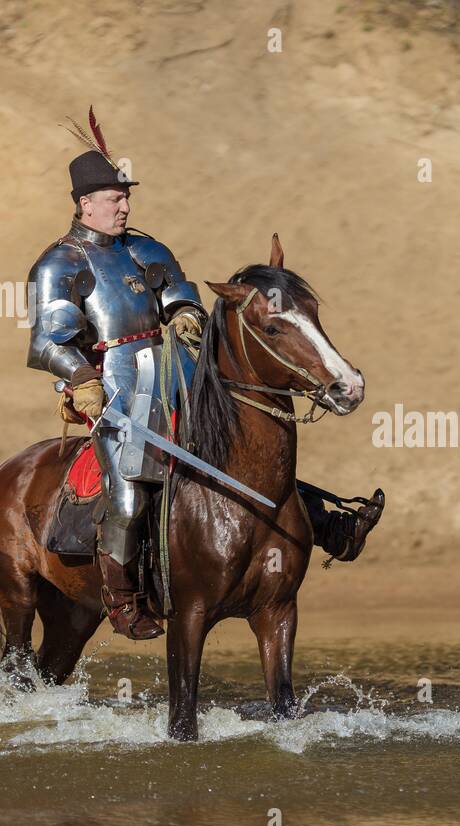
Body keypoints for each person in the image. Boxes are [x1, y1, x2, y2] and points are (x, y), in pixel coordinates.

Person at [26, 120, 383, 641]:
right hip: (111, 390)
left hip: (179, 374)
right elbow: (45, 342)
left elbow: (181, 299)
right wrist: (81, 377)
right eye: (113, 198)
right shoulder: (60, 263)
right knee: (128, 489)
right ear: (84, 203)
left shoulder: (148, 251)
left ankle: (326, 524)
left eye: (125, 197)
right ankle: (122, 598)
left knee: (237, 459)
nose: (124, 206)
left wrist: (189, 316)